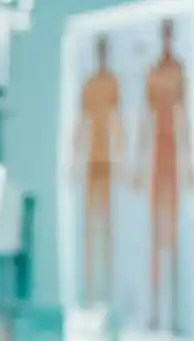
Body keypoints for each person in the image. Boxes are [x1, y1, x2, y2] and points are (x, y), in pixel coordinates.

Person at [137, 19, 193, 334]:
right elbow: (145, 119)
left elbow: (184, 117)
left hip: (172, 155)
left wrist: (189, 162)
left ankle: (174, 314)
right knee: (155, 237)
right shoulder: (154, 72)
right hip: (156, 158)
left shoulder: (178, 71)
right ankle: (155, 312)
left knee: (171, 235)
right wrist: (138, 162)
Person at [74, 35, 122, 308]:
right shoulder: (90, 86)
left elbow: (116, 122)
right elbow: (81, 124)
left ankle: (107, 292)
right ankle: (91, 294)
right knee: (91, 229)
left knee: (107, 227)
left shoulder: (112, 83)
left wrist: (121, 157)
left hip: (106, 163)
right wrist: (74, 161)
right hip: (91, 163)